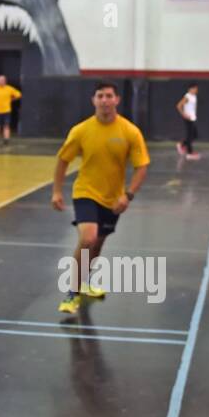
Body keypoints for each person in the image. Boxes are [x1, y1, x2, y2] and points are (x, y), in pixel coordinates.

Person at [51, 81, 150, 318]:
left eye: (108, 96)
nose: (104, 100)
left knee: (96, 246)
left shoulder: (129, 132)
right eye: (100, 96)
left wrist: (128, 195)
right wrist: (56, 191)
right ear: (93, 100)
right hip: (85, 192)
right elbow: (63, 160)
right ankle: (71, 292)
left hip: (113, 199)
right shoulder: (81, 130)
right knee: (88, 238)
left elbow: (142, 166)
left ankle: (84, 283)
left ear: (116, 100)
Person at [176, 83, 200, 160]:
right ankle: (189, 153)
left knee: (194, 135)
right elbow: (179, 105)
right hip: (188, 118)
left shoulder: (194, 97)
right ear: (190, 89)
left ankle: (182, 144)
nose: (196, 90)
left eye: (196, 89)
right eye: (194, 88)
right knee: (189, 136)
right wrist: (184, 115)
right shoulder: (187, 96)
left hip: (192, 118)